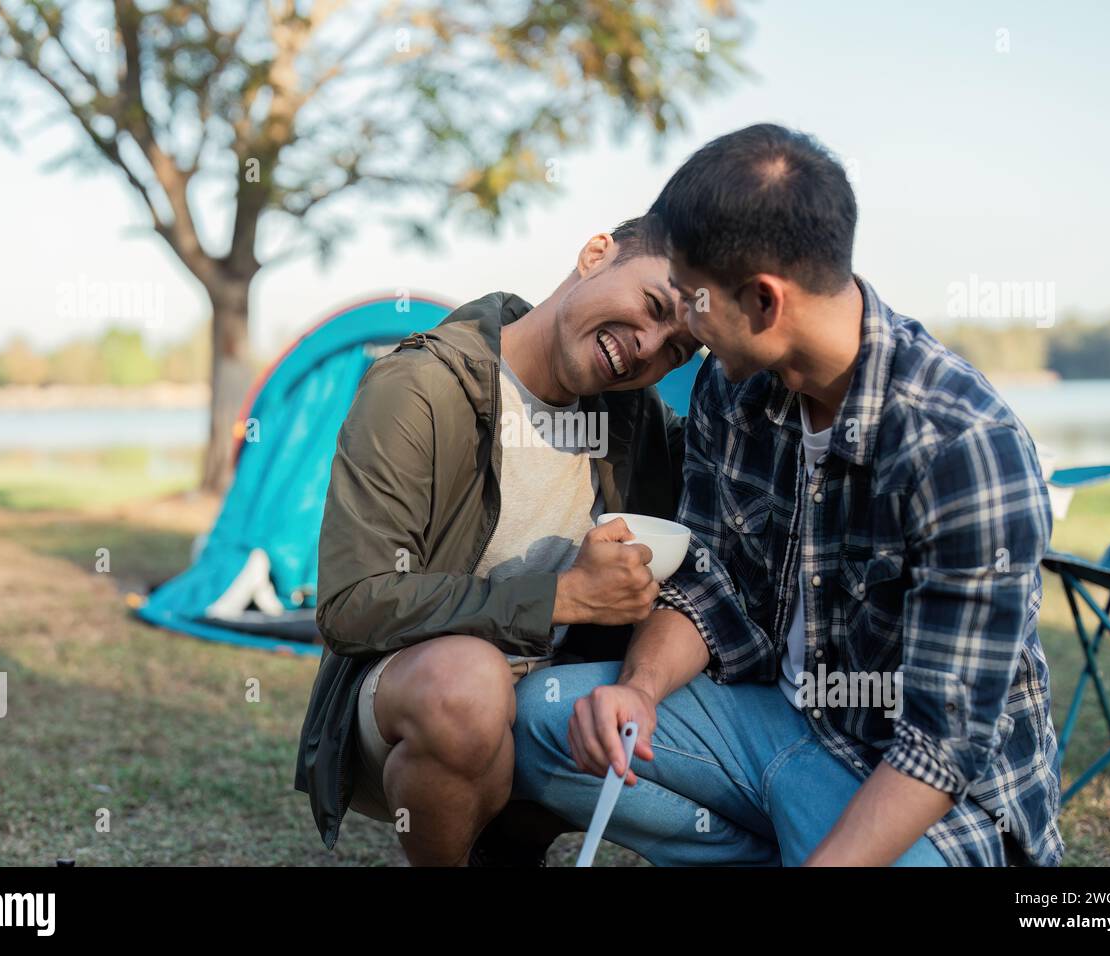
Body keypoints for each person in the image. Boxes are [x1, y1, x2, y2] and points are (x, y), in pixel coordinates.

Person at [513, 124, 1064, 866]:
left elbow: (939, 749)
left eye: (691, 296)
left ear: (765, 302)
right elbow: (709, 592)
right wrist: (640, 690)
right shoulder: (730, 389)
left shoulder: (963, 448)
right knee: (549, 720)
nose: (683, 321)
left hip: (913, 787)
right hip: (771, 725)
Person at [295, 216, 701, 865]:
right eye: (652, 307)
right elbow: (352, 605)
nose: (648, 347)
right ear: (598, 253)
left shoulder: (635, 420)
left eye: (677, 350)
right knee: (469, 685)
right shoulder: (423, 387)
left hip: (549, 711)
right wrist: (559, 598)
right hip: (417, 699)